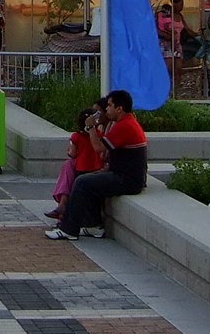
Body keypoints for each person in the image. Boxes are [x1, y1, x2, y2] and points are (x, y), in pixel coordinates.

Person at [46, 89, 147, 240]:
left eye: (110, 105)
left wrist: (91, 127)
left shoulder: (125, 126)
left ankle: (69, 229)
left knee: (81, 182)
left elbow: (99, 147)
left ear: (119, 108)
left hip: (127, 180)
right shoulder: (127, 123)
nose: (106, 109)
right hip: (125, 175)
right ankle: (93, 226)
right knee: (89, 180)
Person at [46, 106, 104, 221]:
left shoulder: (76, 136)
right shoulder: (98, 135)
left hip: (81, 167)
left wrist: (71, 150)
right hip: (95, 167)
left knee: (76, 187)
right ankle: (63, 209)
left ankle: (65, 212)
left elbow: (72, 153)